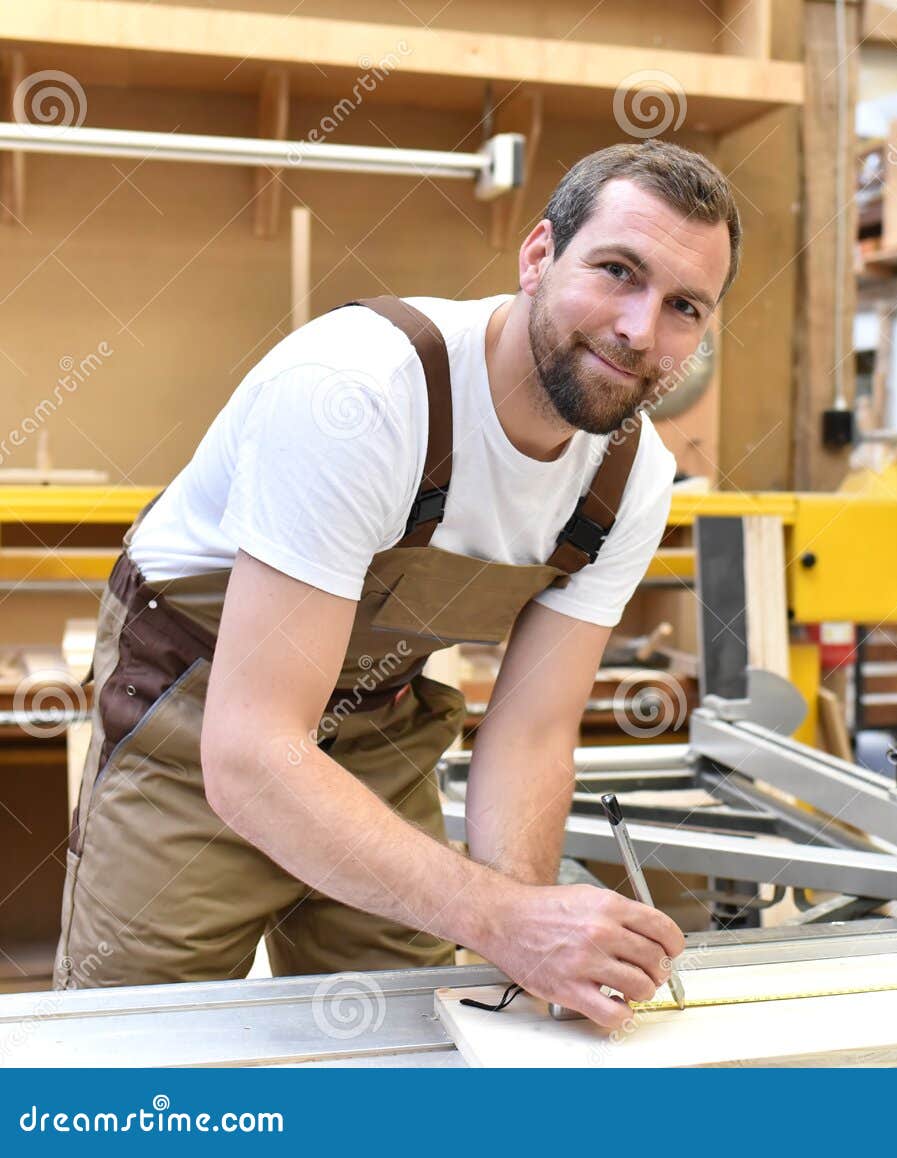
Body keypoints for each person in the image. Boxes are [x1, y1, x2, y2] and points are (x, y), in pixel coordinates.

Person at [55, 140, 740, 1028]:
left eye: (684, 307)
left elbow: (531, 731)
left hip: (382, 720)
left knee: (417, 1031)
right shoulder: (361, 394)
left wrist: (526, 936)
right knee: (143, 1047)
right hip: (196, 716)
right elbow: (252, 751)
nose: (641, 330)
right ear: (539, 256)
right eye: (617, 271)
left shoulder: (630, 477)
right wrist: (501, 919)